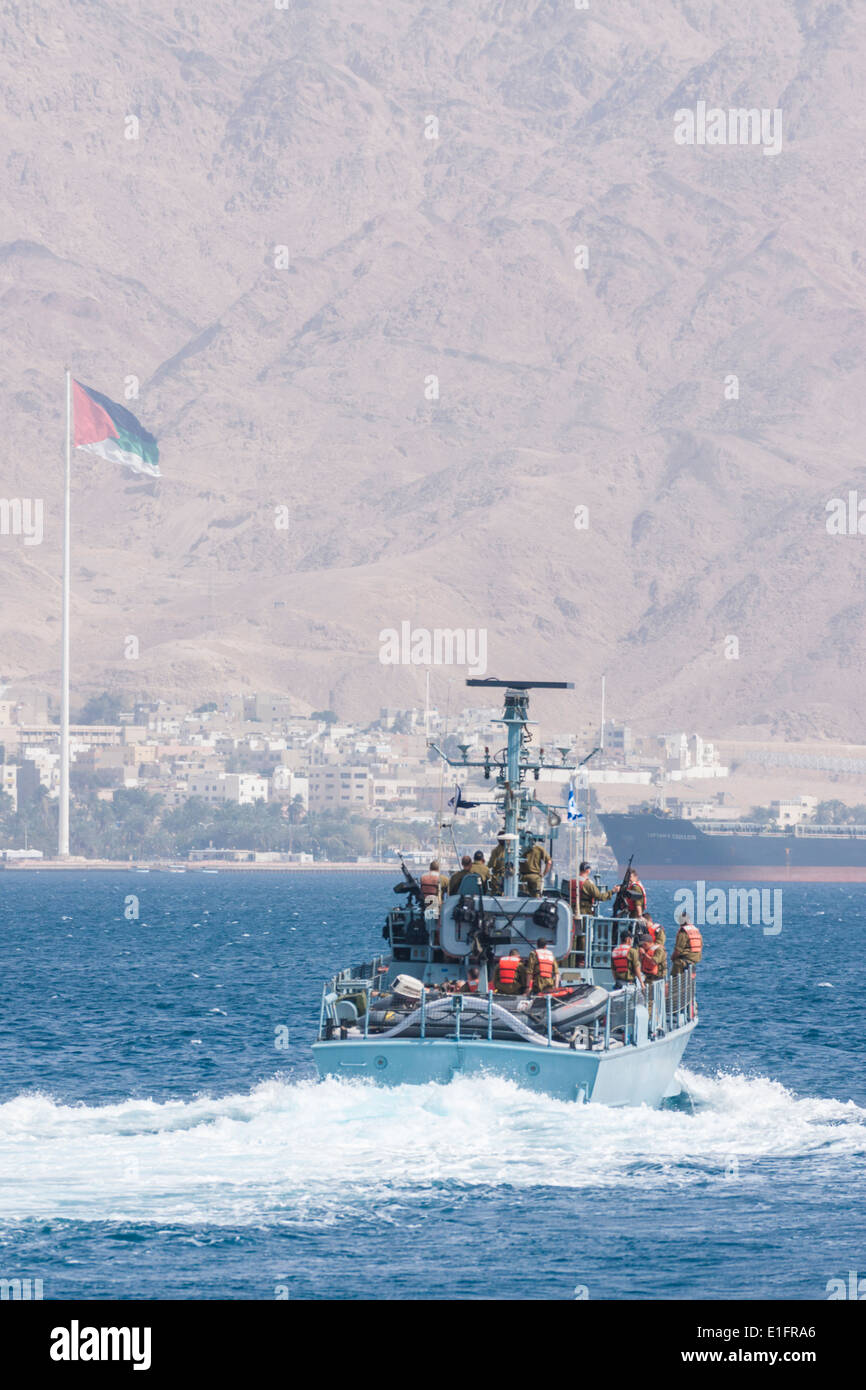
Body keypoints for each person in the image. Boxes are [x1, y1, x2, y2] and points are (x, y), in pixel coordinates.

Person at [671, 910, 703, 976]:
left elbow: (678, 950)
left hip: (682, 962)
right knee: (688, 983)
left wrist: (672, 958)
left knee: (674, 982)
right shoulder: (696, 930)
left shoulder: (683, 932)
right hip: (693, 962)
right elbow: (701, 945)